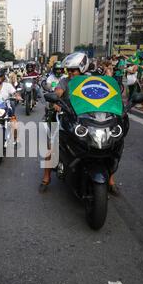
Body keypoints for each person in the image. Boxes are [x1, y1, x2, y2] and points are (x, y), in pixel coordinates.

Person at [39, 52, 89, 193]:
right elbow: (57, 93)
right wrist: (56, 102)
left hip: (88, 118)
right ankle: (46, 176)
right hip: (68, 117)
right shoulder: (64, 82)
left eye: (73, 70)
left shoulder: (91, 81)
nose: (70, 73)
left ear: (82, 69)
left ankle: (110, 179)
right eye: (69, 70)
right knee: (52, 143)